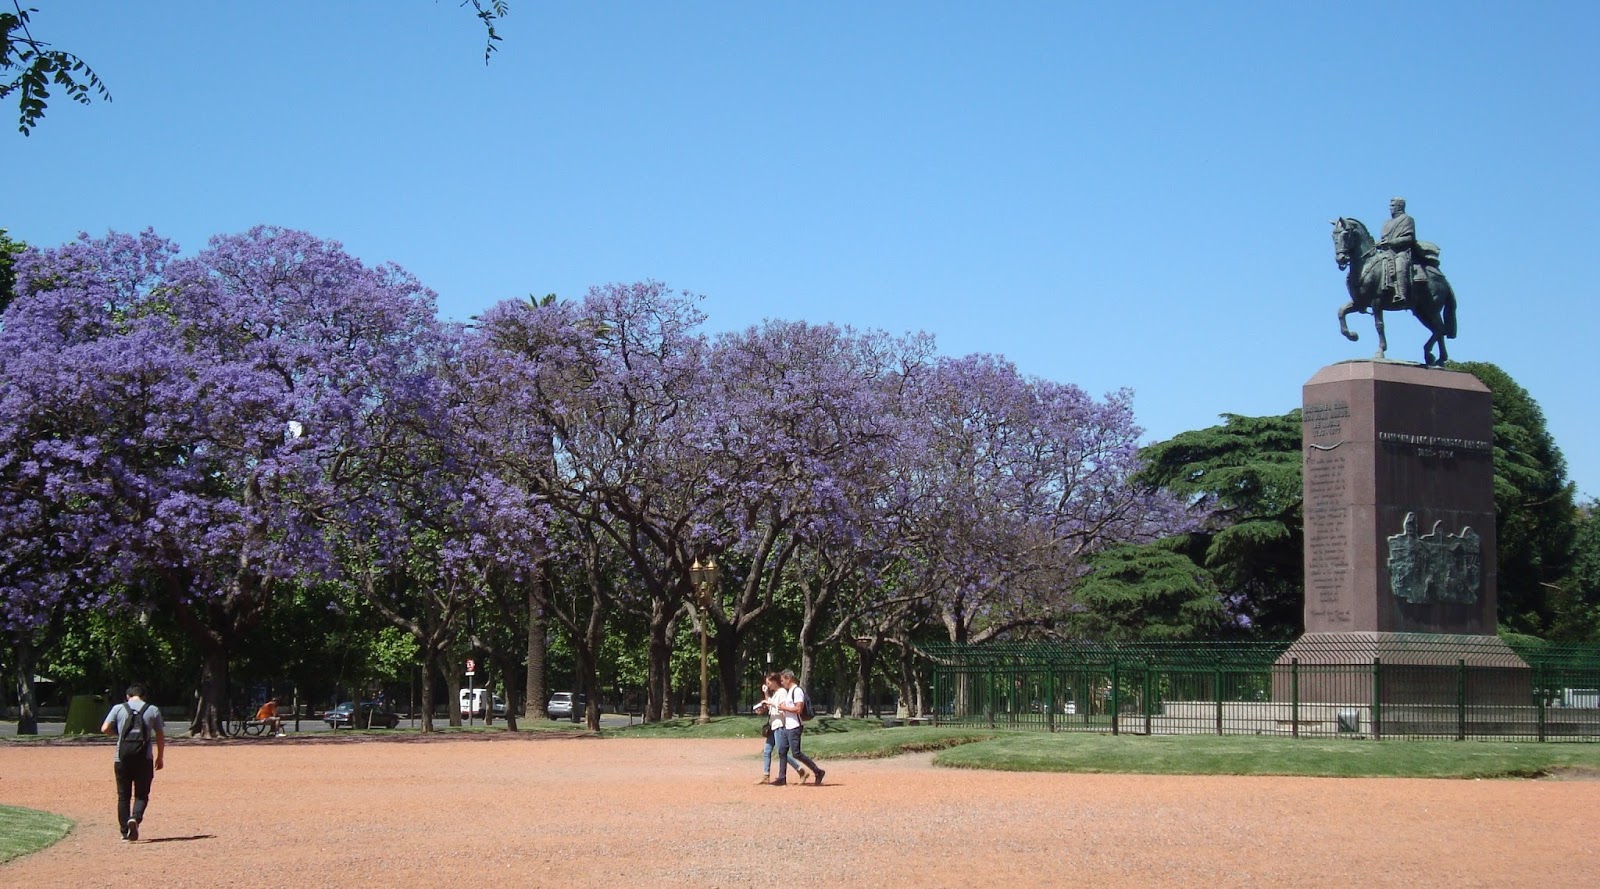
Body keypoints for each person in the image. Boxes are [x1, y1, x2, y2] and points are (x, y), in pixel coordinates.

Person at [100, 684, 166, 842]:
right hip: (144, 757)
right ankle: (135, 818)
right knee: (142, 794)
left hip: (121, 757)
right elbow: (160, 735)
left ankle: (124, 832)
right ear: (143, 696)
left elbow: (104, 728)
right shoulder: (152, 709)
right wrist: (160, 757)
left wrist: (118, 733)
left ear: (128, 696)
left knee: (123, 796)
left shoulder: (118, 708)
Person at [771, 669, 825, 787]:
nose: (782, 682)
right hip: (787, 726)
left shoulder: (797, 691)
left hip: (795, 726)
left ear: (788, 679)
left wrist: (784, 708)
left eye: (782, 680)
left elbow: (798, 709)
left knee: (796, 753)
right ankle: (782, 778)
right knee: (782, 751)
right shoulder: (789, 691)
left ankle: (818, 771)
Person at [753, 673, 807, 785]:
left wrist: (769, 702)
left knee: (781, 752)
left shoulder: (782, 692)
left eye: (769, 683)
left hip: (780, 725)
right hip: (773, 724)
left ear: (774, 681)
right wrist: (766, 695)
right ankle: (766, 775)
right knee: (767, 750)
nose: (768, 685)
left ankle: (800, 770)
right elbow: (771, 707)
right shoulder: (776, 693)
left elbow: (782, 709)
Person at [1374, 196, 1418, 306]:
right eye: (1390, 206)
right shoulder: (1386, 223)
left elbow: (1409, 238)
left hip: (1401, 252)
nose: (1390, 208)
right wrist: (1378, 244)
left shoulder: (1407, 219)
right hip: (1386, 253)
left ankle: (1401, 293)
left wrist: (1391, 242)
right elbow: (1384, 240)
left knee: (1399, 264)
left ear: (1400, 206)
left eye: (1393, 205)